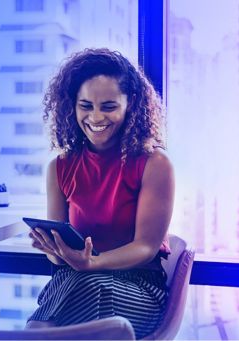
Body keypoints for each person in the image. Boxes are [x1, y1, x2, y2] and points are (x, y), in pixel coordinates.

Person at [26, 48, 174, 339]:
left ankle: (33, 334)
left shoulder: (154, 164)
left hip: (139, 287)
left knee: (83, 288)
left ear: (130, 105)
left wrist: (93, 263)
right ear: (72, 107)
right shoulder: (59, 167)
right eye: (86, 106)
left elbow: (145, 248)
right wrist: (56, 251)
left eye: (108, 106)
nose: (96, 117)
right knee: (75, 284)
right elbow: (59, 263)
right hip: (75, 282)